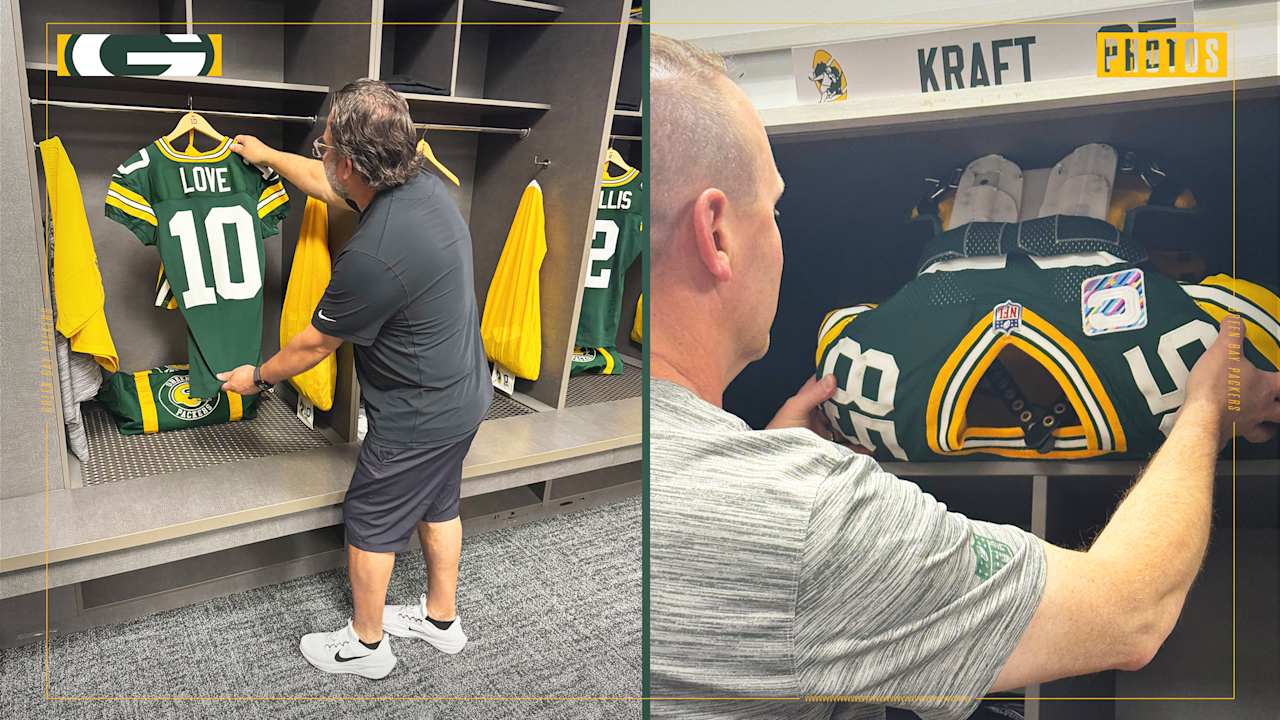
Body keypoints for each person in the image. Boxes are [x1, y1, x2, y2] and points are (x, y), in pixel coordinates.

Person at [647, 34, 1280, 719]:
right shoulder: (807, 523)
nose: (778, 234)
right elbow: (1129, 612)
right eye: (772, 210)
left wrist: (770, 465)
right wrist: (1206, 410)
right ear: (716, 235)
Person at [221, 79, 492, 680]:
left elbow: (315, 344)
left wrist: (256, 377)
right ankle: (442, 622)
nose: (319, 150)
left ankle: (365, 647)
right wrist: (267, 156)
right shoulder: (421, 183)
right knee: (438, 500)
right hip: (463, 396)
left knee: (370, 516)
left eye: (326, 143)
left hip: (417, 415)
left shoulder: (372, 255)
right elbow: (329, 184)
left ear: (350, 160)